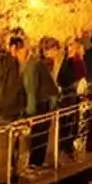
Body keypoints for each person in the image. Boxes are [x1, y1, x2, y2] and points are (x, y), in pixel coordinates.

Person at [0, 35, 28, 184]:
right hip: (6, 111)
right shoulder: (5, 64)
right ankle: (1, 178)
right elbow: (6, 86)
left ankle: (12, 175)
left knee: (15, 147)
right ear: (14, 49)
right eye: (23, 49)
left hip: (14, 110)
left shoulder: (13, 65)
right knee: (3, 147)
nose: (25, 53)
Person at [24, 37, 61, 168]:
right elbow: (37, 87)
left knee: (40, 137)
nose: (57, 53)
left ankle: (36, 162)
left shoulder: (40, 64)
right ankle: (35, 164)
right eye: (54, 49)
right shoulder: (40, 65)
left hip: (41, 104)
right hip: (41, 105)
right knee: (39, 137)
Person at [56, 39, 87, 157]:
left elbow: (81, 75)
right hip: (66, 96)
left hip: (73, 96)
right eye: (68, 46)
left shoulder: (77, 62)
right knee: (65, 122)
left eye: (72, 46)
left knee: (72, 122)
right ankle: (64, 146)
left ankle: (68, 146)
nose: (70, 49)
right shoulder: (66, 61)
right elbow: (60, 78)